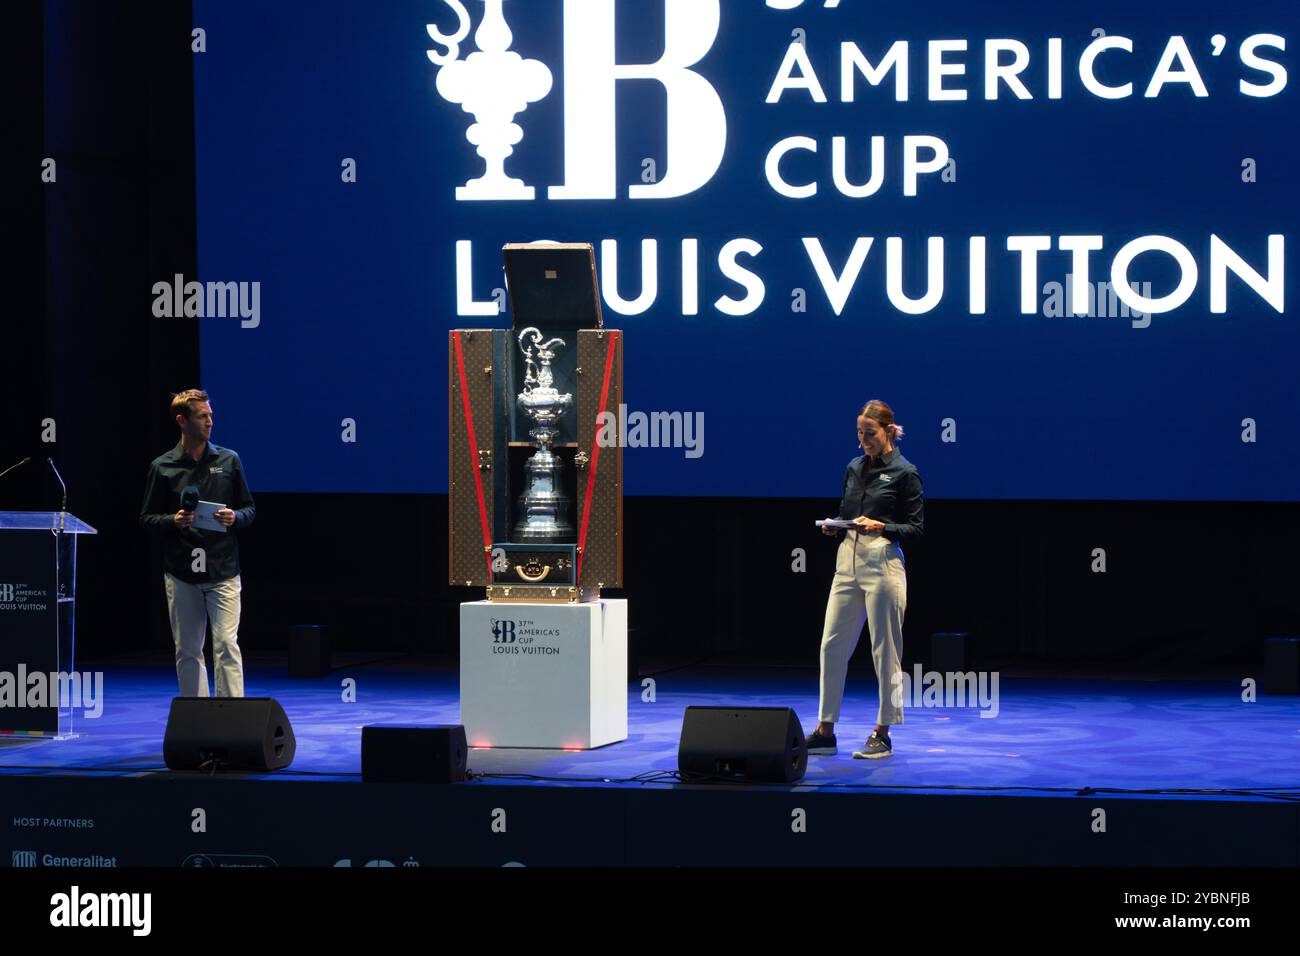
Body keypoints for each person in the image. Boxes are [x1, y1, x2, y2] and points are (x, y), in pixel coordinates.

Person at [807, 400, 923, 759]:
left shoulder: (905, 472)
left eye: (869, 433)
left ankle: (883, 732)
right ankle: (826, 729)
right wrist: (834, 526)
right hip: (847, 560)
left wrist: (882, 526)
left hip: (883, 562)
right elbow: (847, 512)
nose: (863, 441)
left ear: (888, 431)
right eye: (859, 433)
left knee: (885, 651)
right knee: (831, 645)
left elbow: (916, 528)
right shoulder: (854, 467)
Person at [140, 389, 255, 697]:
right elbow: (147, 518)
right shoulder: (162, 466)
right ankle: (196, 718)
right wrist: (172, 521)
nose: (209, 422)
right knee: (188, 650)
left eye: (211, 415)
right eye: (202, 416)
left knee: (226, 645)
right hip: (181, 572)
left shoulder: (229, 460)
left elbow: (249, 509)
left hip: (223, 569)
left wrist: (235, 517)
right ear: (182, 421)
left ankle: (232, 719)